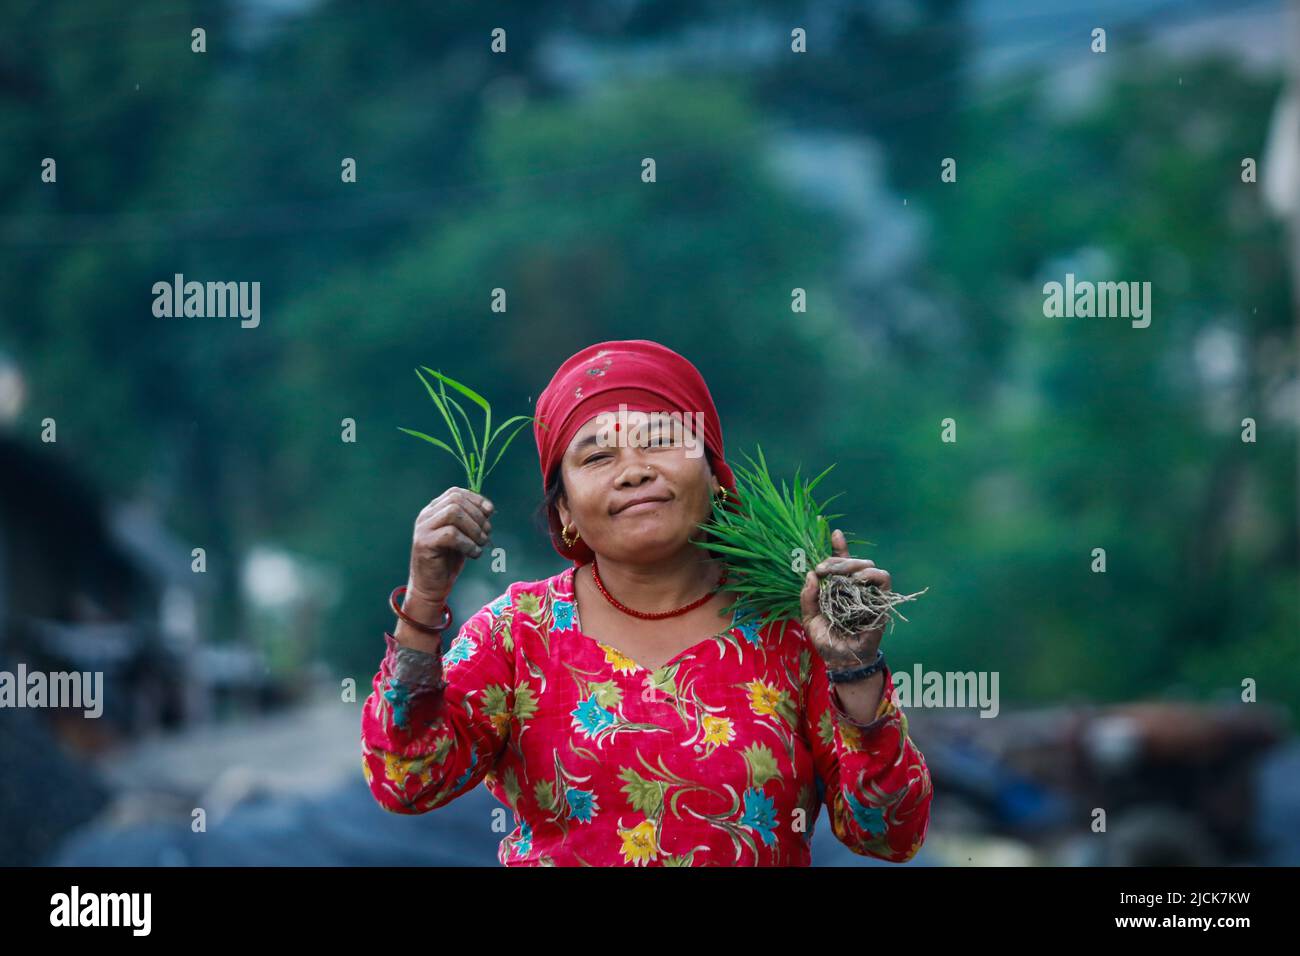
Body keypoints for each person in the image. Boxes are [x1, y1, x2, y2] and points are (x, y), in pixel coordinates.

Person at [361, 339, 933, 866]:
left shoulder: (791, 630)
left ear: (713, 475)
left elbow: (888, 831)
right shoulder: (516, 634)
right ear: (564, 511)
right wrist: (425, 596)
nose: (634, 471)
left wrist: (856, 669)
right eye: (596, 457)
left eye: (661, 441)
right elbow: (406, 779)